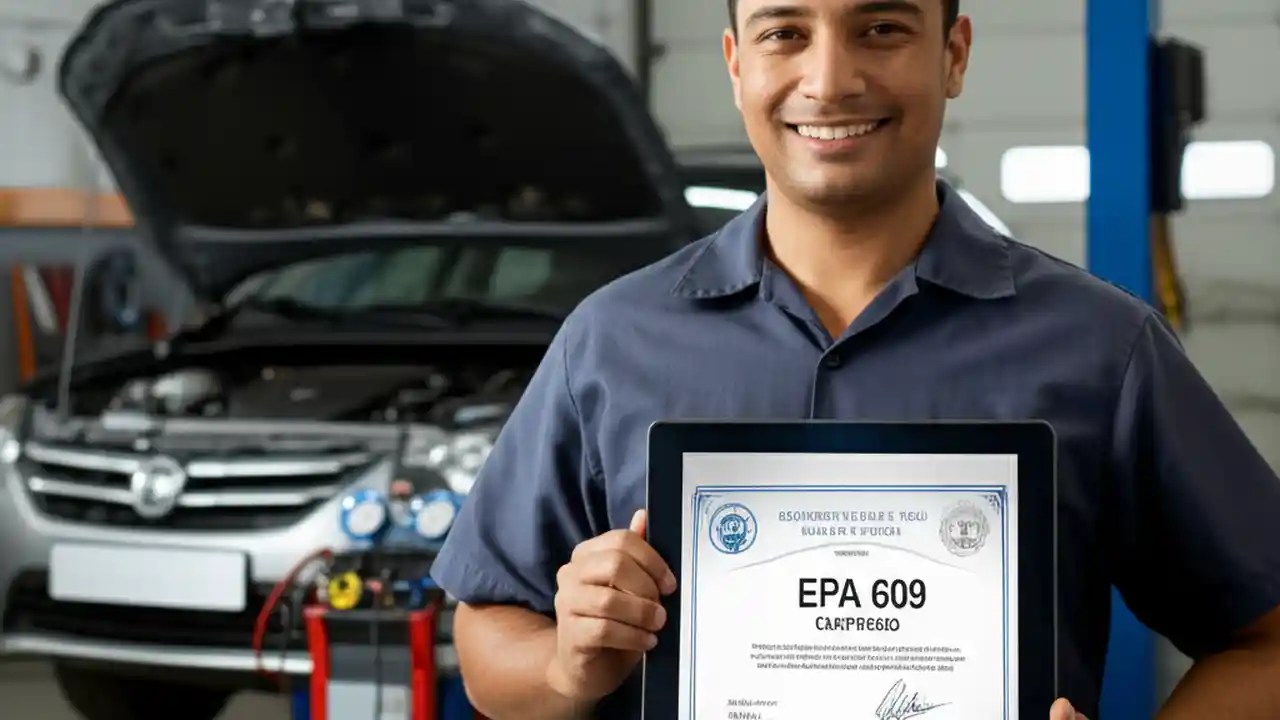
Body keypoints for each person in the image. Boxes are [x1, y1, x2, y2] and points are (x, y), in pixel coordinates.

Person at [429, 0, 1280, 717]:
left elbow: (1266, 643)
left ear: (953, 53)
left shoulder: (1101, 346)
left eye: (880, 29)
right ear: (735, 62)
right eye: (784, 33)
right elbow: (489, 629)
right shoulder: (610, 342)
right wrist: (565, 667)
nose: (830, 80)